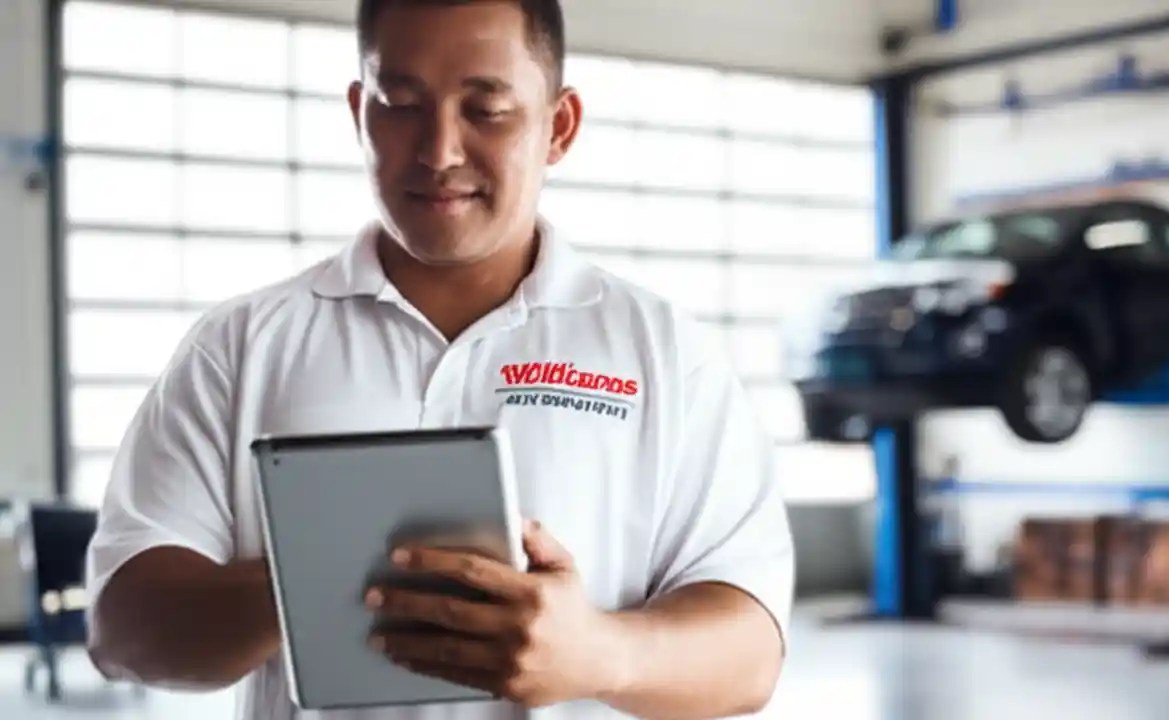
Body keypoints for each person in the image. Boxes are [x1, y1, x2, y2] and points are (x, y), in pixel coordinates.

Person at [85, 0, 795, 718]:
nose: (439, 152)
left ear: (559, 126)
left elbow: (750, 655)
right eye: (400, 106)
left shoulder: (666, 355)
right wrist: (313, 580)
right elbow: (122, 630)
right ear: (359, 113)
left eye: (487, 111)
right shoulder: (241, 346)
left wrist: (600, 654)